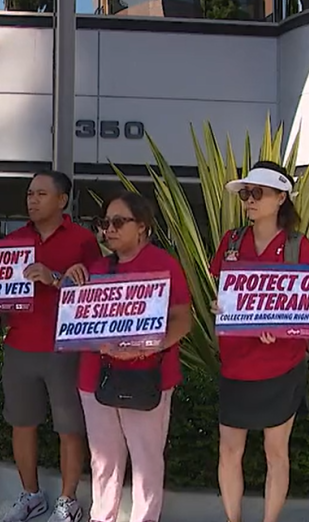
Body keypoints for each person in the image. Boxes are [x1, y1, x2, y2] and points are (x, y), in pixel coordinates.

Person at [63, 192, 192, 522]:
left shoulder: (165, 265)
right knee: (103, 460)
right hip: (96, 376)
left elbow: (182, 319)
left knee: (147, 459)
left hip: (149, 376)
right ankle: (101, 517)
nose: (109, 229)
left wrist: (150, 346)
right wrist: (71, 277)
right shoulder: (95, 268)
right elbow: (75, 317)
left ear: (142, 227)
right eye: (105, 223)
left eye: (118, 222)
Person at [209, 161, 309, 522]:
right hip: (236, 363)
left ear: (281, 197)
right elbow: (223, 290)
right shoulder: (232, 240)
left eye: (257, 193)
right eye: (245, 193)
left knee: (276, 452)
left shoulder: (297, 246)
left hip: (281, 365)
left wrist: (281, 327)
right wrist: (219, 304)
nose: (249, 200)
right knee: (229, 451)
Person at [0, 170, 102, 522]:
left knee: (69, 427)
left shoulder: (83, 240)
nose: (32, 200)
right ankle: (30, 495)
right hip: (18, 345)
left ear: (62, 200)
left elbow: (98, 295)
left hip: (66, 349)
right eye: (30, 193)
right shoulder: (13, 240)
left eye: (41, 194)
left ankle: (67, 499)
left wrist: (55, 278)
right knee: (22, 423)